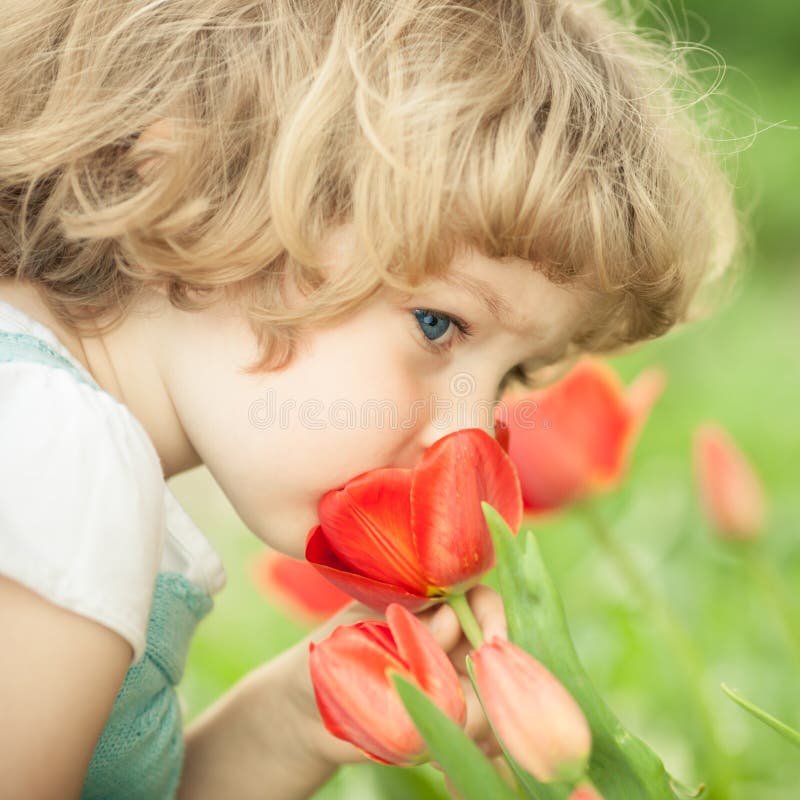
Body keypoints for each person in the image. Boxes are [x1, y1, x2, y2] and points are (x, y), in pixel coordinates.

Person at [0, 0, 737, 797]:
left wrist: (292, 719)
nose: (468, 440)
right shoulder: (59, 460)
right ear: (186, 184)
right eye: (438, 323)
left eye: (513, 379)